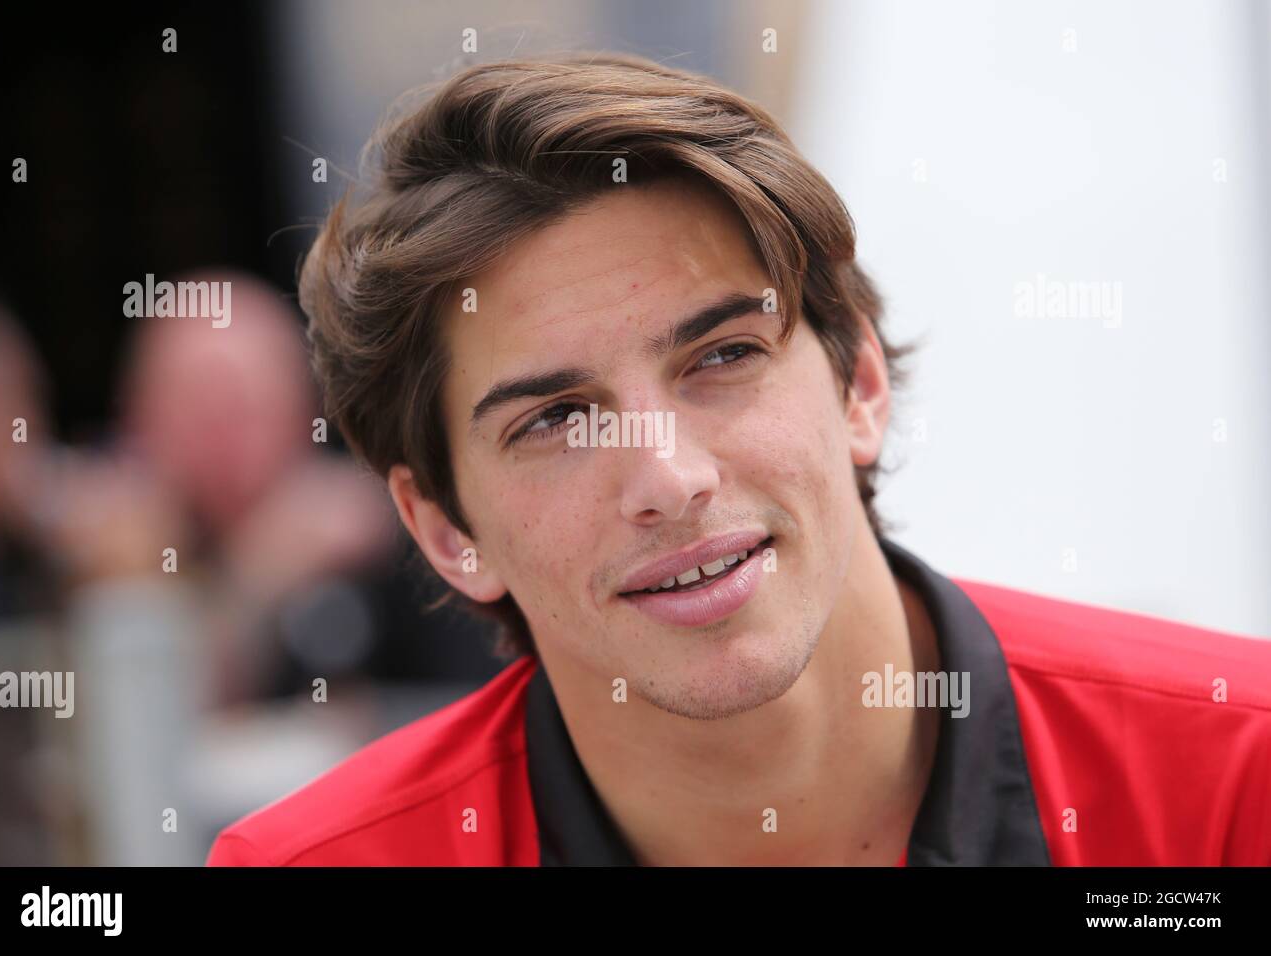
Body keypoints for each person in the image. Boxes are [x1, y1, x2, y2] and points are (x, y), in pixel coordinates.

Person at [207, 52, 1271, 867]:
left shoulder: (1233, 774)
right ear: (446, 527)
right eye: (555, 420)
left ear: (857, 380)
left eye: (722, 356)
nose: (668, 477)